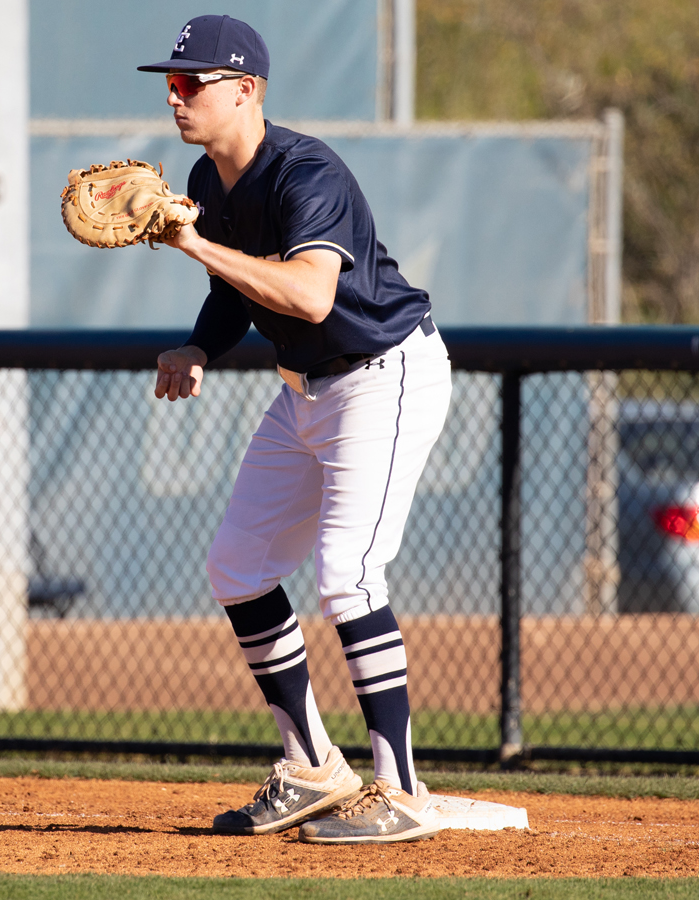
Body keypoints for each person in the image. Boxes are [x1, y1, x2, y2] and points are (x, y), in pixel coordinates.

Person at [139, 15, 452, 843]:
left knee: (348, 573)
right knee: (237, 566)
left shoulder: (305, 171)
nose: (177, 95)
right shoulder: (208, 180)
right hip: (303, 390)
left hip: (384, 376)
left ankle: (402, 789)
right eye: (172, 82)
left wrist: (196, 246)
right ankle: (313, 765)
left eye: (192, 81)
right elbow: (239, 295)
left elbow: (311, 296)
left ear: (246, 90)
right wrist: (201, 345)